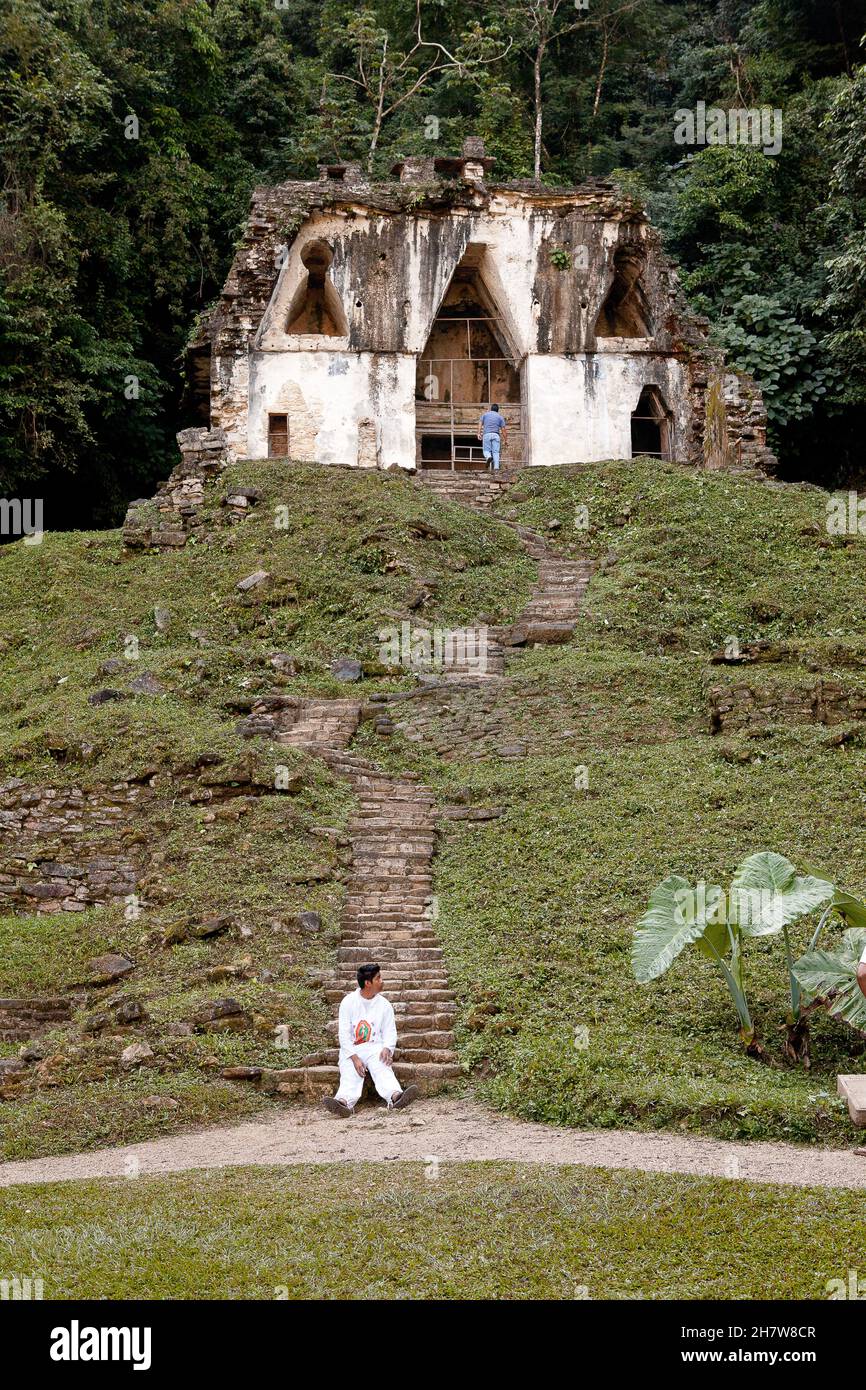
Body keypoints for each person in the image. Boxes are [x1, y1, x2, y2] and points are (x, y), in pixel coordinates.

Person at [322, 963, 419, 1117]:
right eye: (378, 978)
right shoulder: (348, 1002)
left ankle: (396, 1097)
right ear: (368, 983)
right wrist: (354, 1058)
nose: (382, 981)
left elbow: (390, 1031)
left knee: (382, 1067)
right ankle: (343, 1103)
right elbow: (344, 1034)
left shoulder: (385, 1005)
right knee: (350, 1072)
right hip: (352, 1049)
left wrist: (387, 1048)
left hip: (376, 1047)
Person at [478, 402, 507, 471]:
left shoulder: (485, 415)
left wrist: (478, 433)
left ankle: (488, 457)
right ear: (497, 410)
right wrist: (506, 440)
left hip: (487, 435)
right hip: (496, 435)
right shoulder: (500, 417)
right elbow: (503, 430)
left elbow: (480, 423)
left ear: (491, 409)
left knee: (486, 450)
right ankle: (496, 468)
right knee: (496, 452)